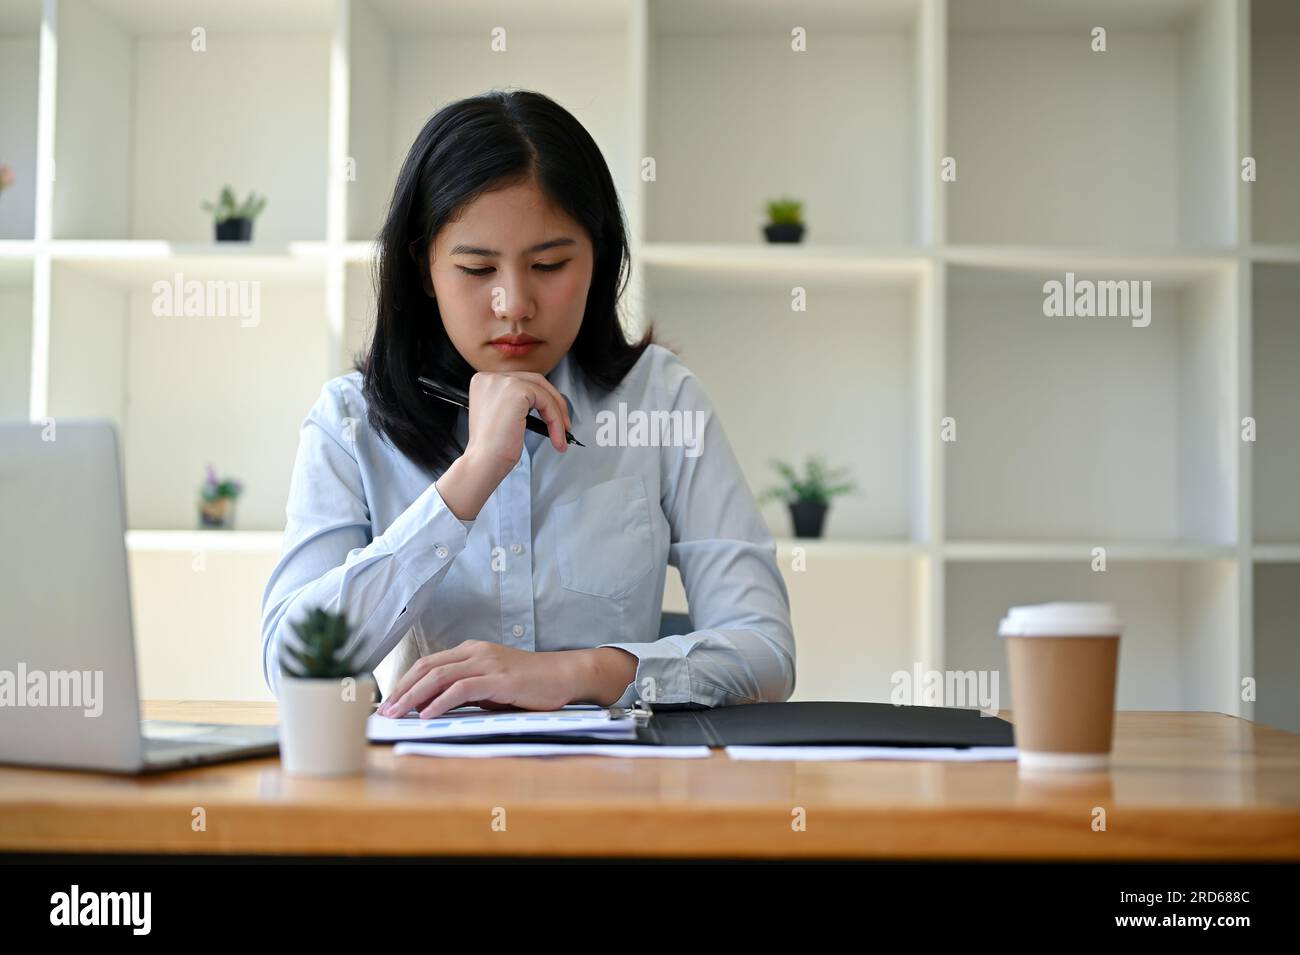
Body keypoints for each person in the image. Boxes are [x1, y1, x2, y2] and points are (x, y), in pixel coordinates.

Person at [260, 89, 795, 718]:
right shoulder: (351, 419)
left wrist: (579, 673)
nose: (514, 303)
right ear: (423, 269)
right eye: (477, 269)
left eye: (548, 264)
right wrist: (469, 479)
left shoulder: (661, 398)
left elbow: (766, 652)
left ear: (598, 257)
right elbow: (292, 663)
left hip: (618, 796)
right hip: (427, 795)